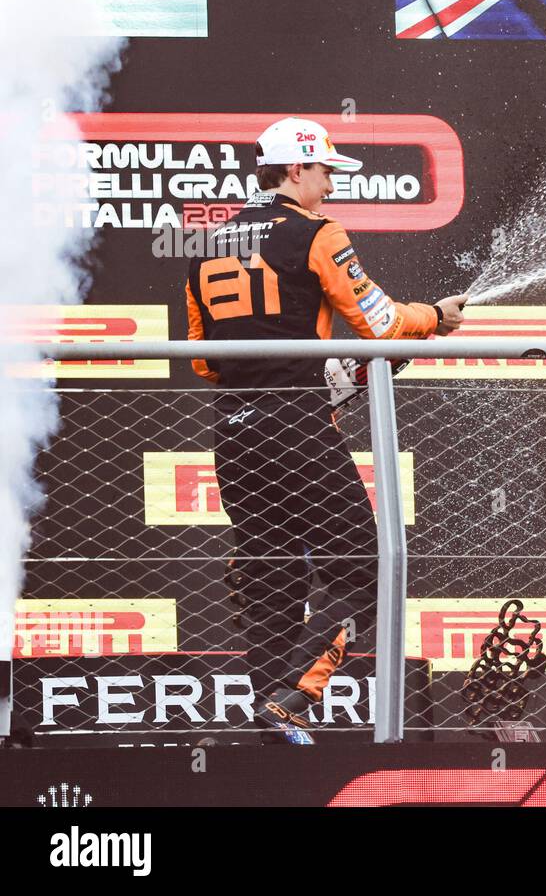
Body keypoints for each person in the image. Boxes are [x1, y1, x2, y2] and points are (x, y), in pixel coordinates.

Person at [186, 116, 467, 744]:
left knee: (272, 579)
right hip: (298, 428)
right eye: (324, 172)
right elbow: (381, 325)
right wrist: (434, 317)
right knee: (367, 570)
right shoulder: (316, 233)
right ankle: (295, 696)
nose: (331, 186)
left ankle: (272, 723)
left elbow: (204, 360)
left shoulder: (206, 244)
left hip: (233, 435)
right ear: (295, 170)